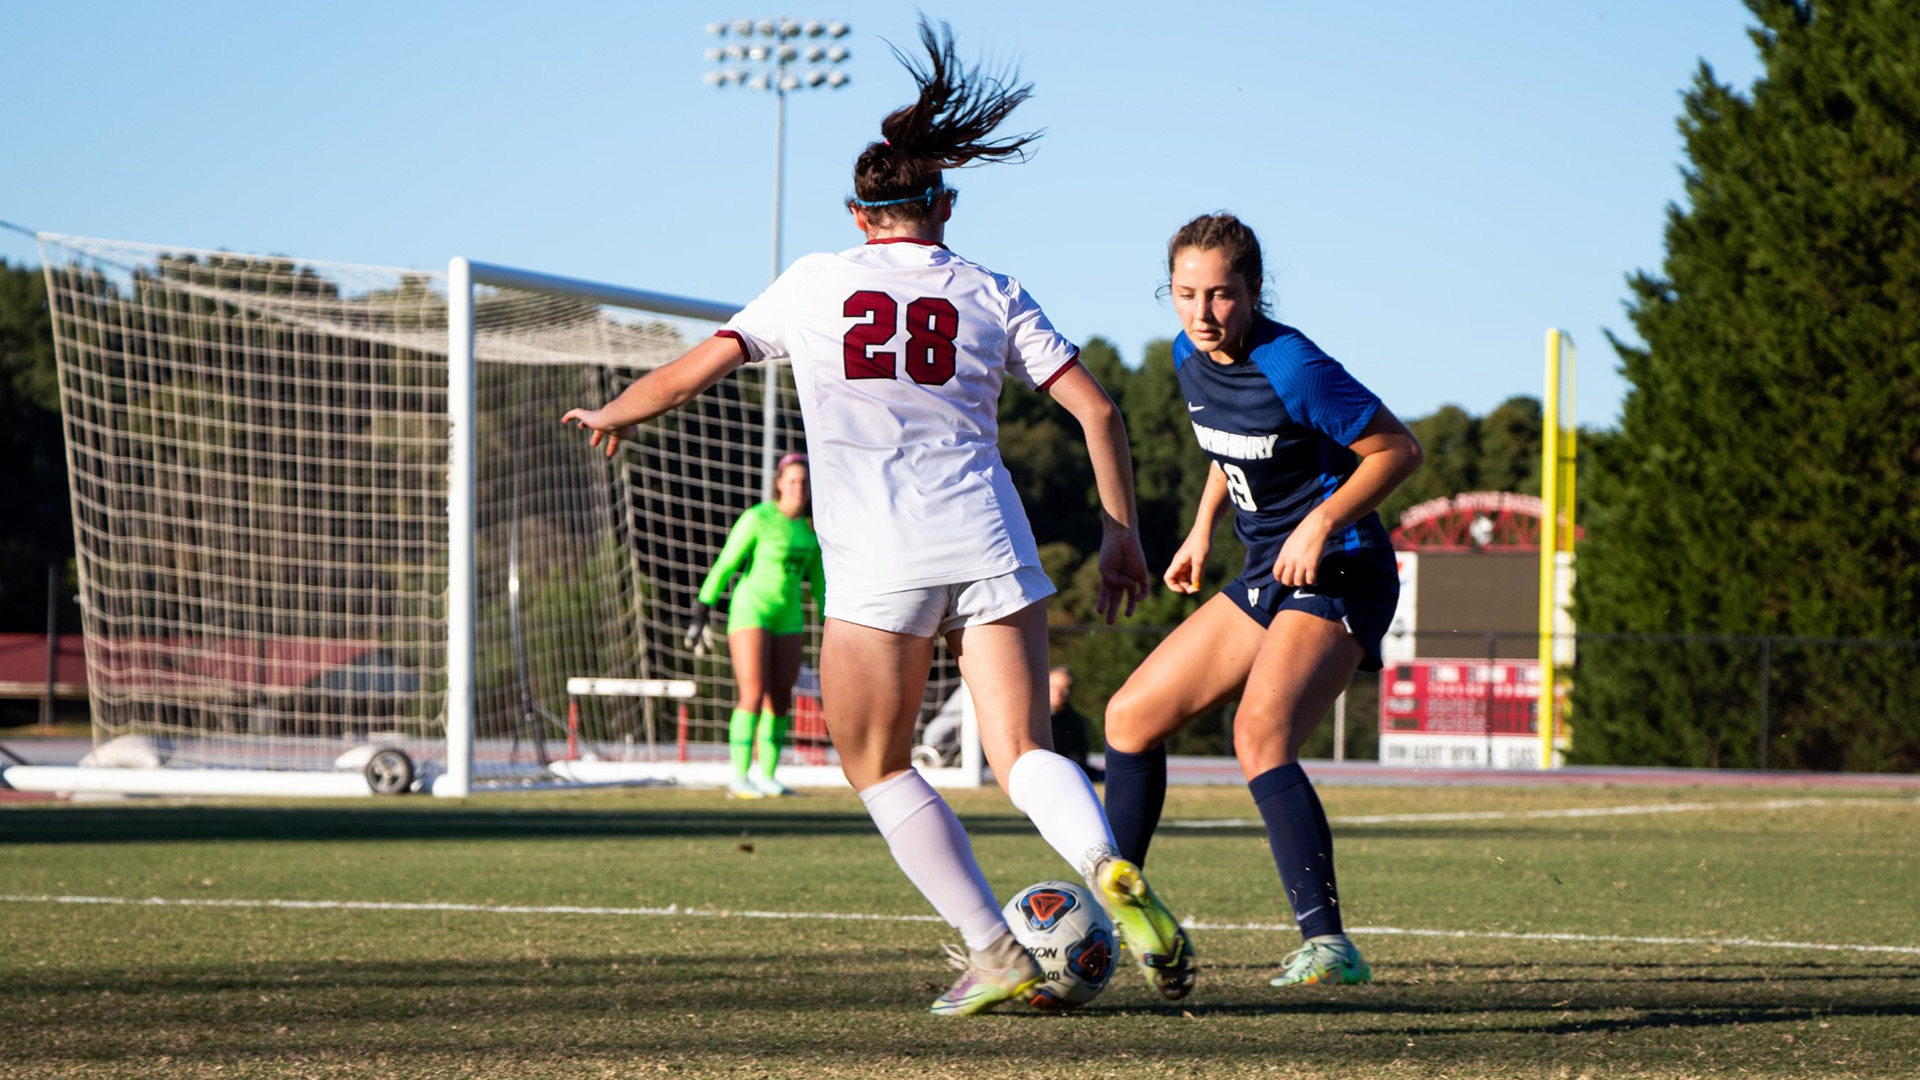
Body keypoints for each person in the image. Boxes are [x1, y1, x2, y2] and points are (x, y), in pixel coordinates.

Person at [561, 20, 1194, 1015]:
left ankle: (993, 949)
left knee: (877, 765)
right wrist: (1122, 534)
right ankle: (1105, 861)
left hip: (879, 559)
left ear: (859, 216)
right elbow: (1100, 412)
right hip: (987, 539)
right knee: (1023, 749)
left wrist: (616, 411)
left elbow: (695, 369)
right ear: (944, 205)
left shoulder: (815, 282)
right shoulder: (990, 289)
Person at [1102, 212, 1423, 989]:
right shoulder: (1187, 355)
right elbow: (1232, 447)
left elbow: (1398, 450)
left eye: (1221, 295)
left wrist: (1321, 521)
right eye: (1185, 294)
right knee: (1129, 718)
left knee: (1259, 735)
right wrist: (1200, 530)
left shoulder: (1295, 364)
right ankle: (1120, 915)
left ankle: (1329, 946)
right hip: (1266, 570)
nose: (1202, 313)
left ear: (1253, 291)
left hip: (1341, 567)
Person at [685, 452, 824, 799]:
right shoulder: (758, 518)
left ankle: (768, 777)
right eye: (792, 481)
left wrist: (831, 620)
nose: (798, 488)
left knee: (781, 698)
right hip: (751, 612)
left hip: (789, 618)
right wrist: (702, 609)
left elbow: (819, 584)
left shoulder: (811, 529)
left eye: (804, 482)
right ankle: (740, 777)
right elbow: (726, 563)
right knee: (753, 692)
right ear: (779, 484)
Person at [1047, 666, 1100, 780]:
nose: (1063, 692)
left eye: (1067, 688)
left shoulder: (1075, 720)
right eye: (1057, 687)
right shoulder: (1034, 718)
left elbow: (1079, 755)